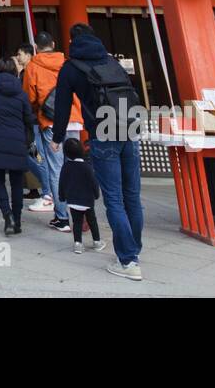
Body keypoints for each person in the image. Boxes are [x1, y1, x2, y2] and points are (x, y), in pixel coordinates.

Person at [53, 23, 145, 281]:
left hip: (103, 133)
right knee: (133, 197)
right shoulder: (111, 61)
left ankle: (128, 260)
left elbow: (61, 106)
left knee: (113, 199)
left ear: (72, 41)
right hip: (129, 129)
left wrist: (58, 138)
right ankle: (132, 251)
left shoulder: (71, 68)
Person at [23, 31, 81, 231]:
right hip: (73, 120)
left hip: (50, 122)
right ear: (54, 44)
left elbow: (29, 96)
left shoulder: (33, 66)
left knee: (56, 170)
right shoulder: (68, 64)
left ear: (36, 48)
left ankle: (62, 217)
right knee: (74, 167)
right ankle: (80, 215)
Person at [0, 56, 36, 236]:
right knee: (16, 183)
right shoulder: (21, 93)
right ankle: (18, 220)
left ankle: (8, 216)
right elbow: (28, 117)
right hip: (17, 140)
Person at [13, 42, 50, 202]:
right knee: (31, 153)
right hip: (32, 121)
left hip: (33, 122)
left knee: (35, 154)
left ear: (28, 55)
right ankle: (44, 188)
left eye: (19, 54)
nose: (18, 57)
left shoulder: (30, 72)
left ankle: (48, 189)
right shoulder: (24, 73)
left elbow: (27, 98)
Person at [60, 139, 106, 254]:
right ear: (82, 150)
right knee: (92, 221)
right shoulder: (87, 167)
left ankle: (78, 244)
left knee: (77, 222)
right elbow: (93, 182)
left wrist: (62, 196)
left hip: (73, 200)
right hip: (87, 200)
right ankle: (96, 242)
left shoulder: (66, 166)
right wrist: (96, 194)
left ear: (66, 152)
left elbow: (62, 182)